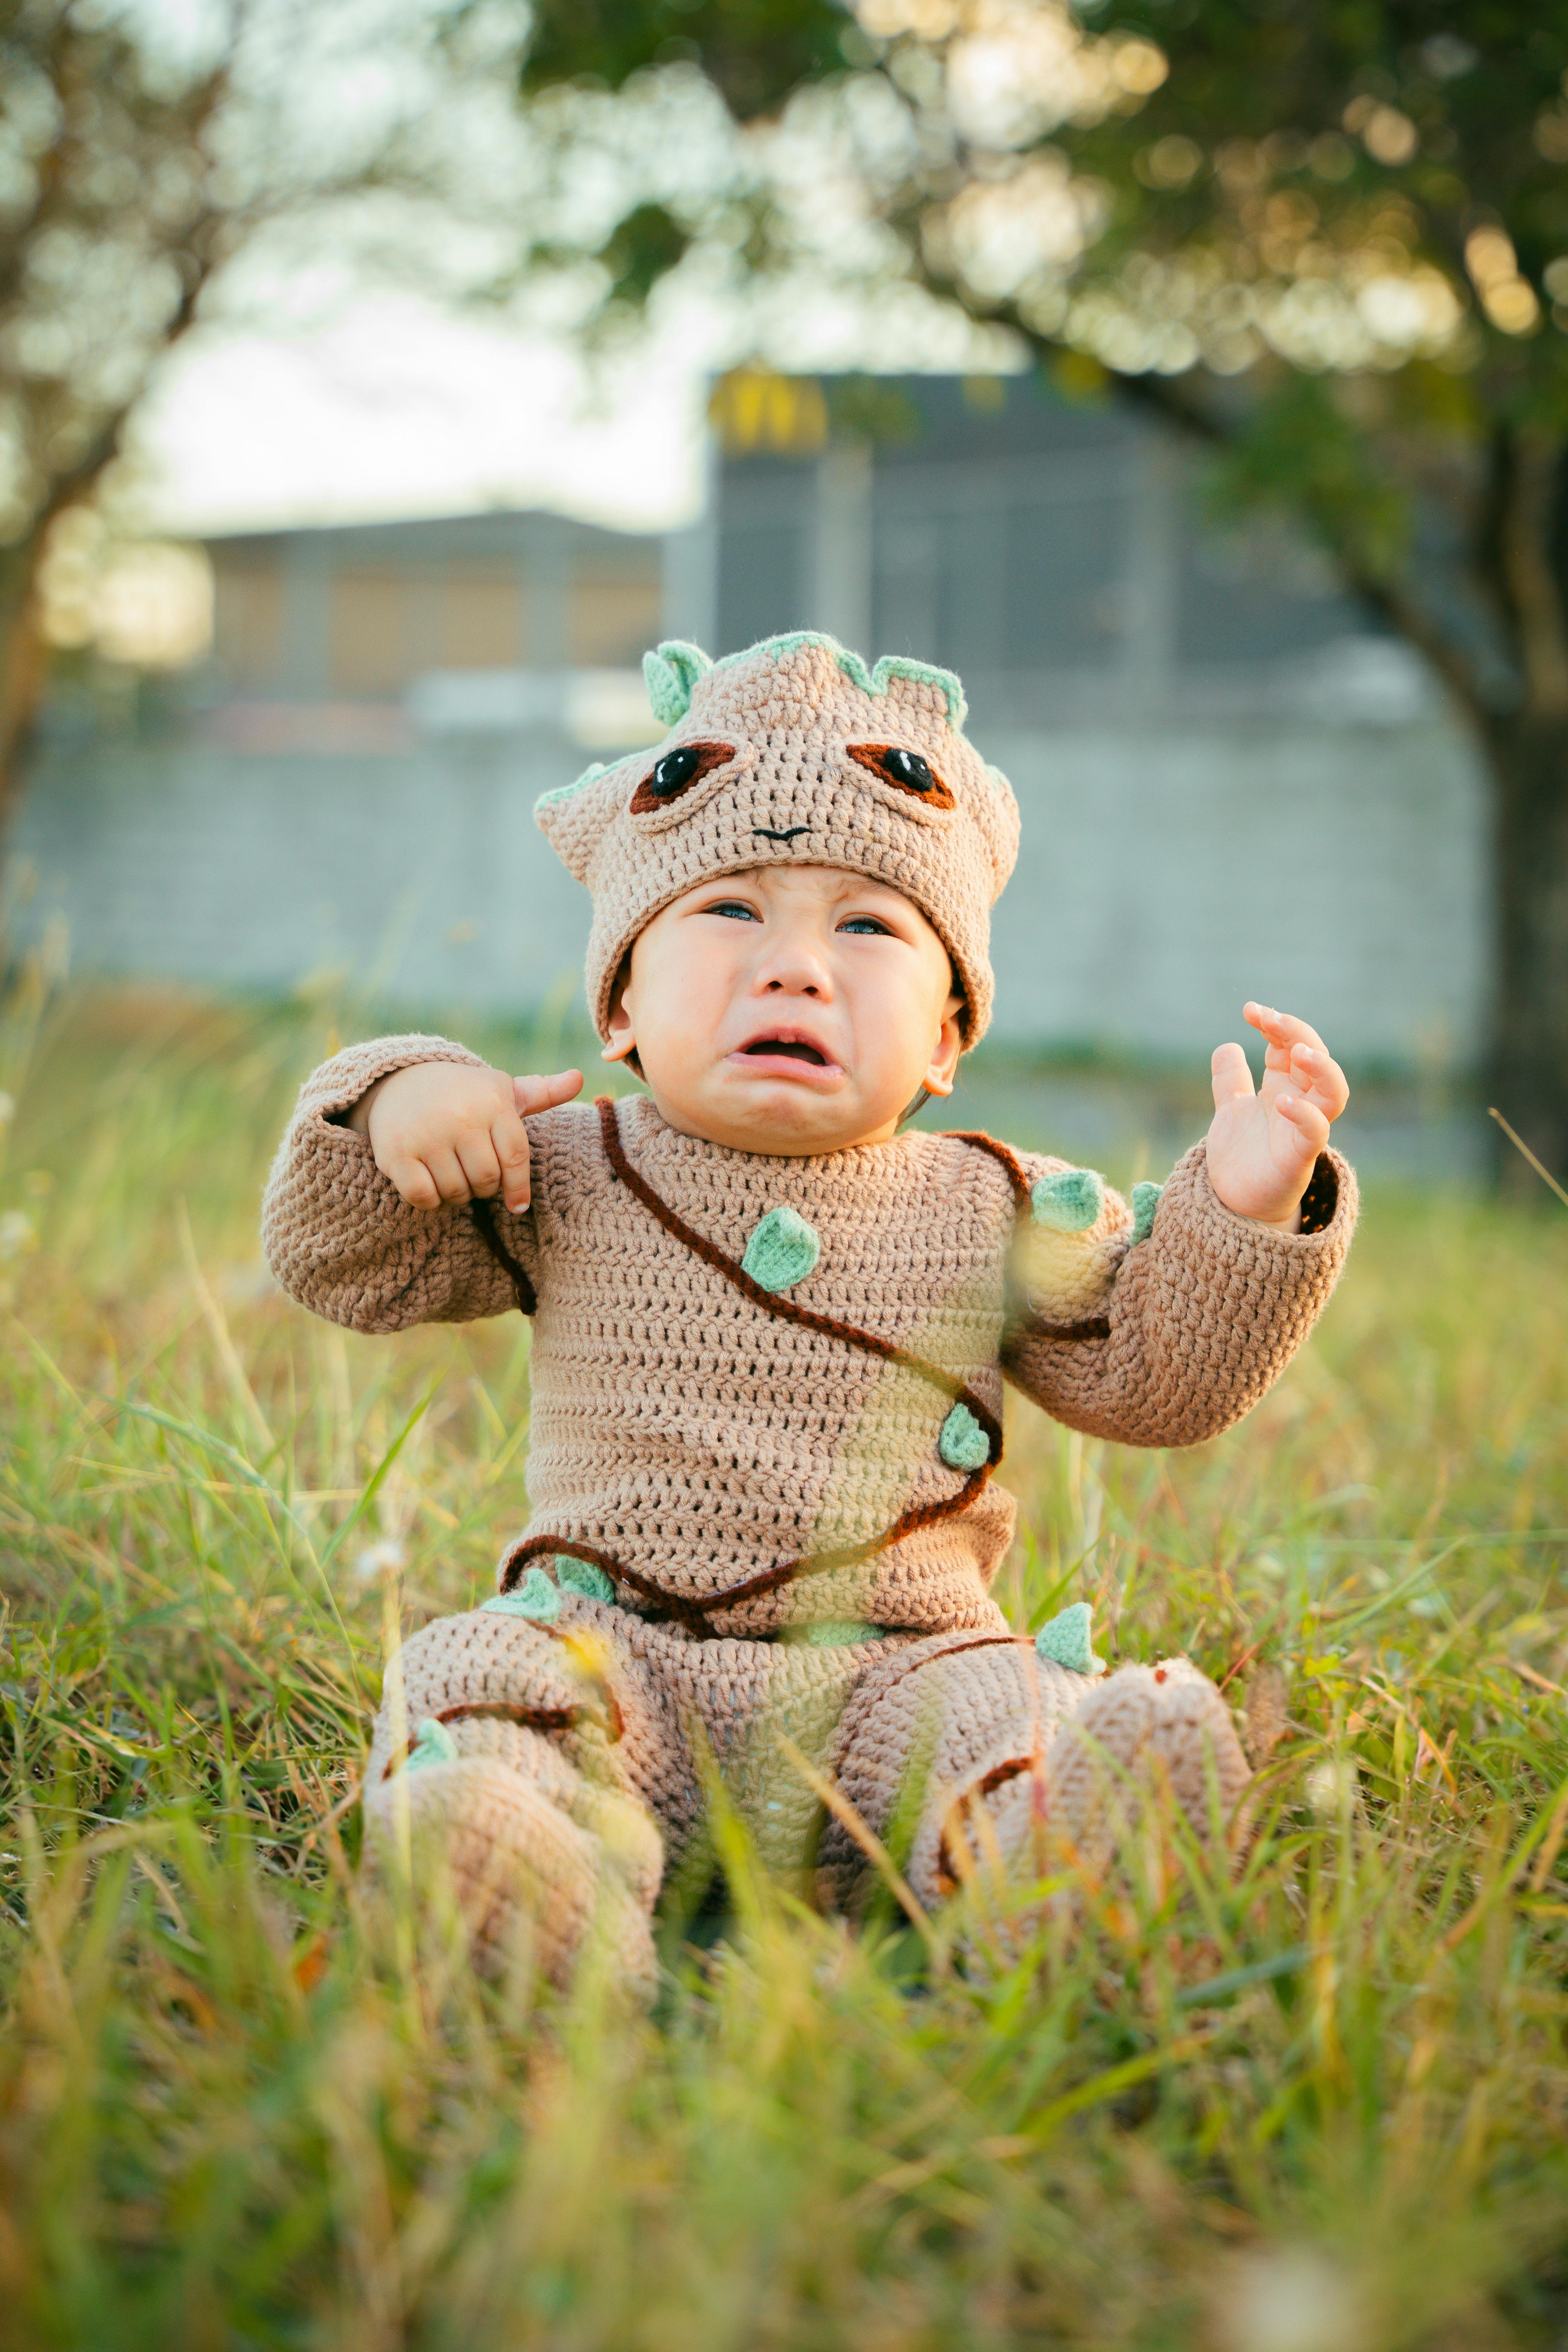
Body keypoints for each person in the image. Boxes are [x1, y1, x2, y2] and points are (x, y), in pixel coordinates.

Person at [263, 632, 1356, 1994]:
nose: (794, 966)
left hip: (903, 1670)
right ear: (622, 1003)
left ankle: (1069, 1855)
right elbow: (344, 1264)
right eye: (729, 910)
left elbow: (1157, 1372)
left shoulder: (998, 1203)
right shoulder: (562, 1167)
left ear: (947, 1035)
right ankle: (525, 1878)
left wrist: (1244, 1209)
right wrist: (397, 1098)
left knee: (1021, 1712)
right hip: (618, 1652)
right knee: (476, 1671)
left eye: (868, 926)